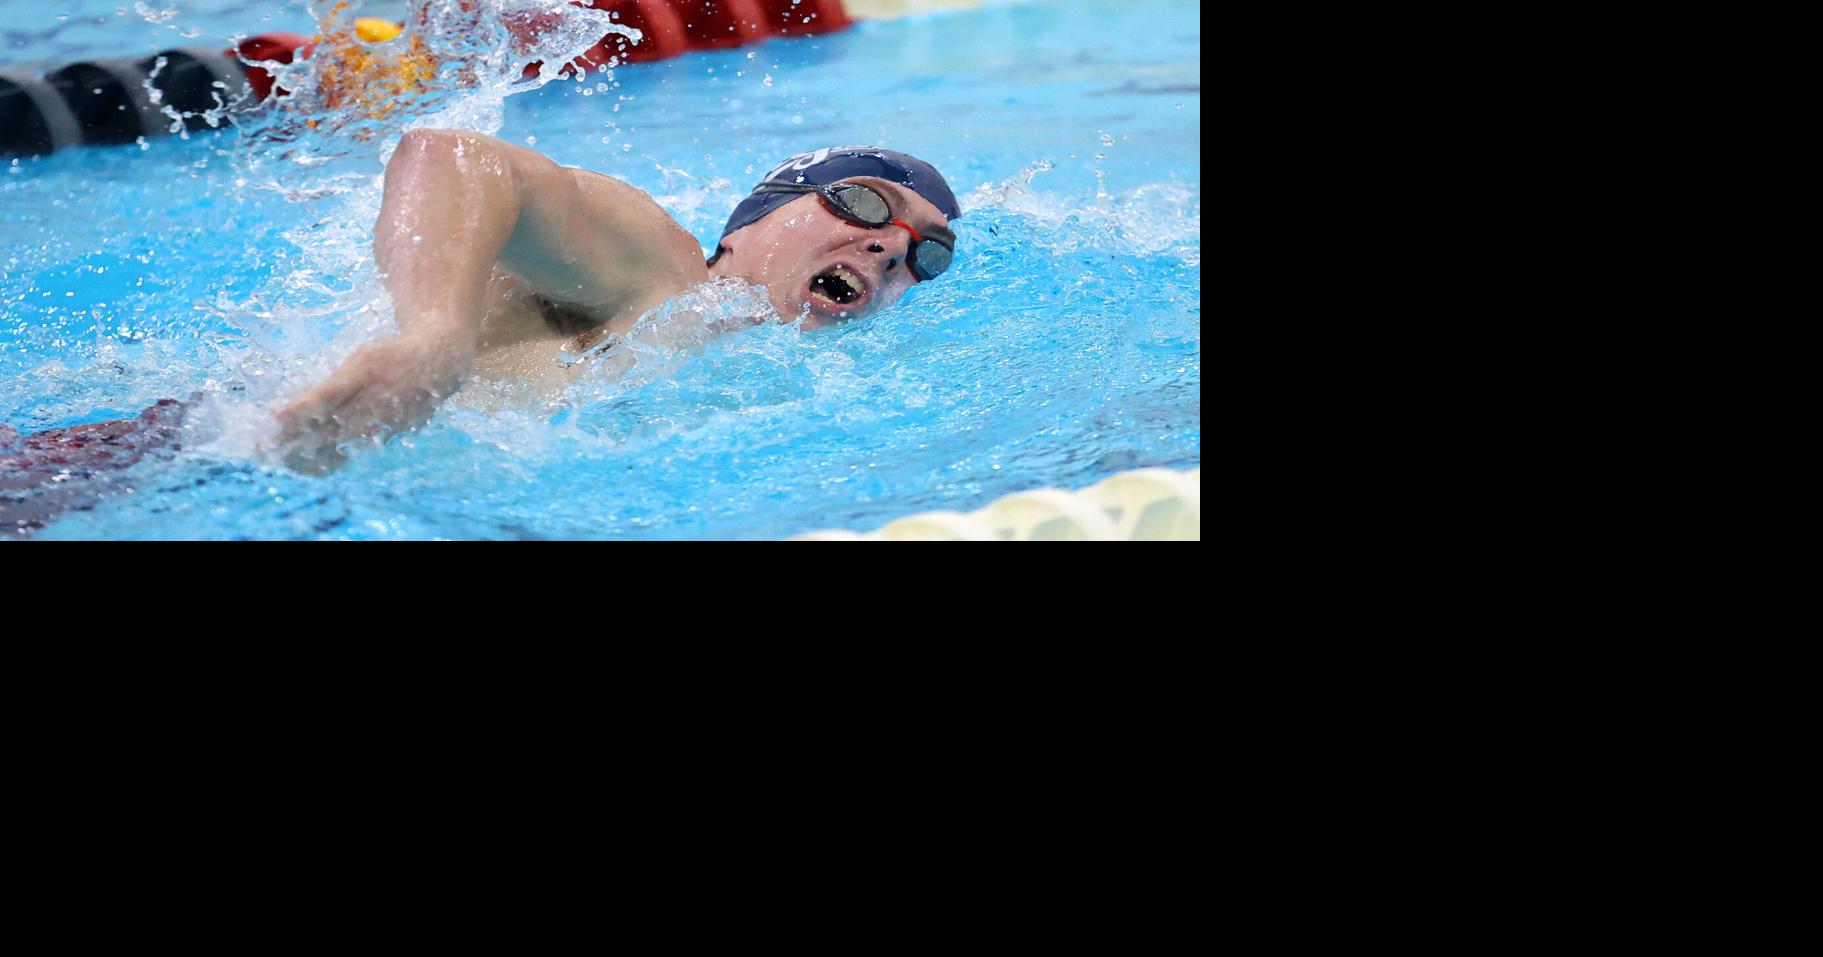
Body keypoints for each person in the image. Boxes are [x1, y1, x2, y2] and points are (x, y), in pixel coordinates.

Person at [3, 136, 962, 526]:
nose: (885, 249)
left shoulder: (766, 388)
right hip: (179, 461)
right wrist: (432, 336)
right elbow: (449, 153)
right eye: (863, 203)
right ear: (761, 213)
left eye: (923, 255)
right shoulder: (655, 265)